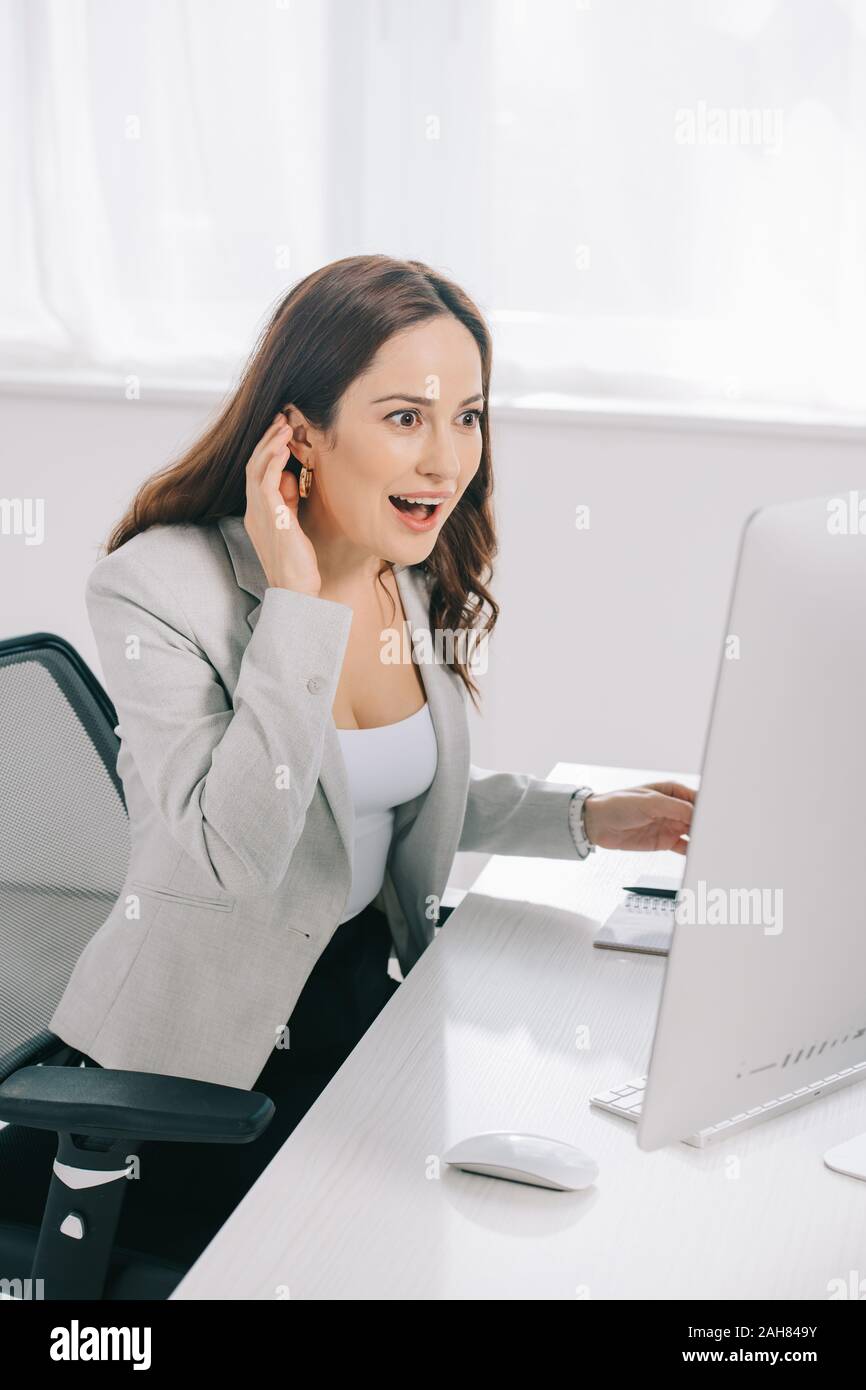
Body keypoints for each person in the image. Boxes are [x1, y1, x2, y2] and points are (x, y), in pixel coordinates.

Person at [49, 254, 694, 1263]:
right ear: (299, 432)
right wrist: (299, 605)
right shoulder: (161, 588)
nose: (447, 460)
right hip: (193, 1079)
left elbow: (383, 795)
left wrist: (585, 817)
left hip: (355, 1007)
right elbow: (235, 852)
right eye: (405, 417)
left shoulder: (408, 573)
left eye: (469, 416)